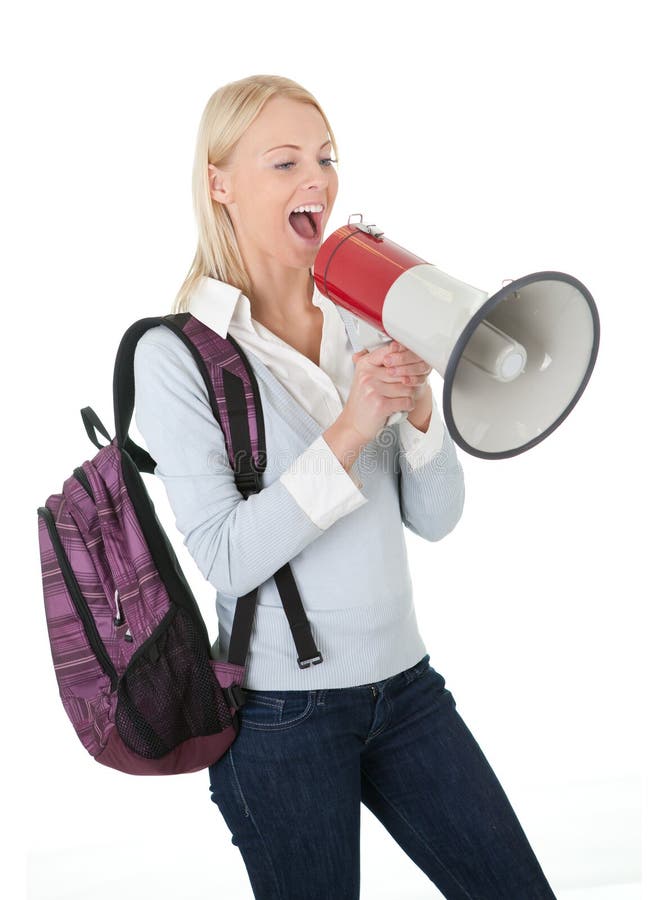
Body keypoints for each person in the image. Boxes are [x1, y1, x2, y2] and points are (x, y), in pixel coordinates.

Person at [133, 75, 558, 900]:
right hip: (282, 721)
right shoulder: (178, 354)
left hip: (408, 692)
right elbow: (225, 556)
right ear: (219, 183)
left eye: (325, 158)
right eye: (284, 161)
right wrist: (355, 425)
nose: (317, 181)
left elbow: (436, 519)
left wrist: (423, 404)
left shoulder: (366, 313)